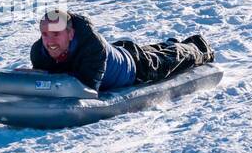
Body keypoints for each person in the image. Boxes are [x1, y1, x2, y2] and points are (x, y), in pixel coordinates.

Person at [30, 9, 214, 93]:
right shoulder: (39, 52)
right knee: (159, 51)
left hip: (137, 68)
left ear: (70, 34)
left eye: (56, 34)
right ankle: (170, 44)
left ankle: (199, 46)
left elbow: (86, 88)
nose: (49, 41)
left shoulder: (92, 49)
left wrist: (44, 75)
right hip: (118, 51)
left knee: (173, 58)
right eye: (45, 34)